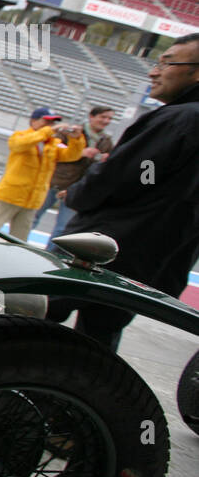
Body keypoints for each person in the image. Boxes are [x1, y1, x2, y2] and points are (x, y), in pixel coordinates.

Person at [46, 34, 199, 351]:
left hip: (107, 249)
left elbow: (133, 176)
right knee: (97, 342)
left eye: (166, 62)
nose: (153, 72)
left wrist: (76, 194)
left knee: (33, 313)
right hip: (154, 261)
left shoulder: (180, 119)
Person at [0, 107, 85, 243]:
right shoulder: (20, 136)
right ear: (33, 121)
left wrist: (77, 140)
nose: (50, 125)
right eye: (46, 121)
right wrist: (47, 131)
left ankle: (14, 253)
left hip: (34, 198)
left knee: (20, 235)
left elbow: (72, 156)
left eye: (52, 123)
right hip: (12, 193)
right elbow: (20, 145)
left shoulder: (54, 143)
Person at [32, 105, 114, 234]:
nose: (106, 121)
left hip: (76, 188)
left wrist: (105, 160)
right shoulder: (72, 131)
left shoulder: (107, 140)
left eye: (109, 118)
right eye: (103, 117)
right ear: (91, 116)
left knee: (63, 228)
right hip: (55, 181)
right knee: (33, 217)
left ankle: (53, 248)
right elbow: (54, 147)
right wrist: (81, 152)